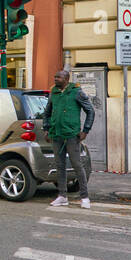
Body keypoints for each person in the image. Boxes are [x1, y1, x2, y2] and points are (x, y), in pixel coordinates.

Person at [41, 68, 95, 209]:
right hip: (56, 134)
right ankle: (62, 196)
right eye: (55, 77)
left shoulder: (76, 92)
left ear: (66, 79)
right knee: (60, 165)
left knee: (77, 165)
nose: (55, 79)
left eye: (58, 77)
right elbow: (46, 113)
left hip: (71, 134)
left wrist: (85, 131)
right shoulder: (54, 92)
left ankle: (85, 197)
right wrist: (46, 129)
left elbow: (90, 110)